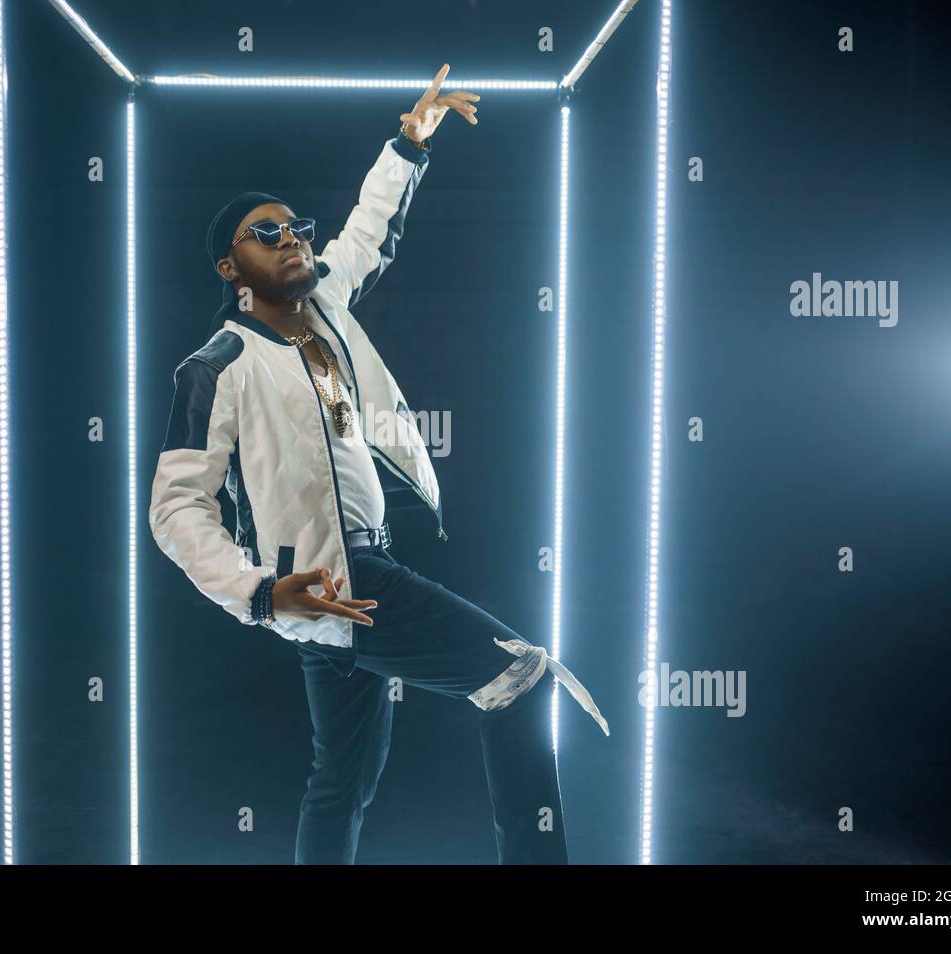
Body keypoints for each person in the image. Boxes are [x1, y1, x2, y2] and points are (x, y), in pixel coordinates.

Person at [150, 64, 608, 865]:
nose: (291, 236)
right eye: (267, 232)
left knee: (342, 778)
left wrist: (409, 142)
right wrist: (257, 591)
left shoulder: (324, 308)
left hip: (353, 576)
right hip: (331, 582)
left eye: (296, 225)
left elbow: (366, 231)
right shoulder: (217, 364)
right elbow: (177, 509)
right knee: (519, 676)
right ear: (230, 269)